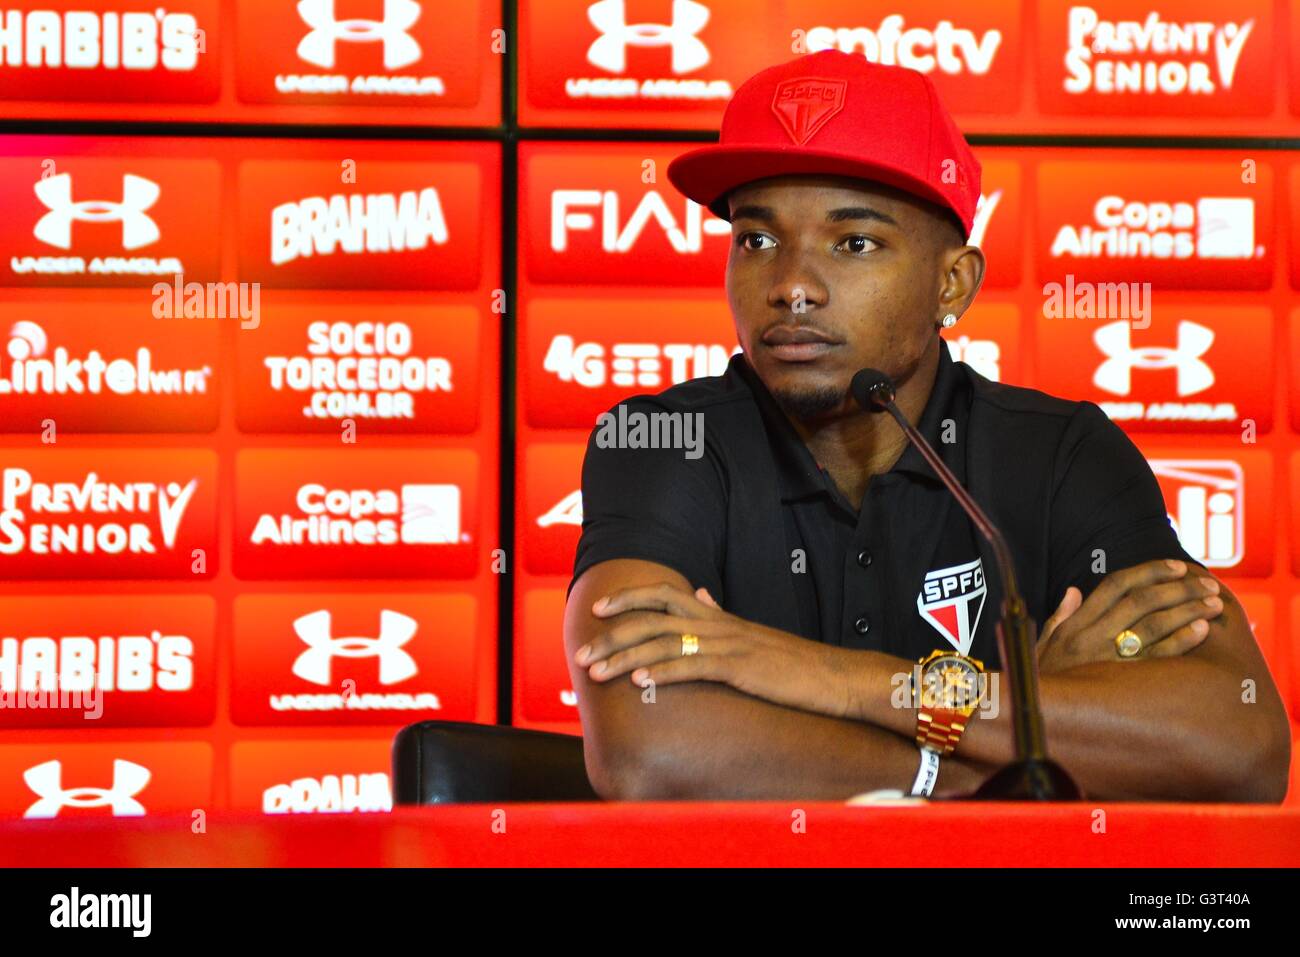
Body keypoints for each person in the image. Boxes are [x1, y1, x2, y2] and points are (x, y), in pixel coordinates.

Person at [562, 50, 1291, 803]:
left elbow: (1241, 744)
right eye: (757, 239)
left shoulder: (1060, 454)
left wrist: (824, 676)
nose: (792, 287)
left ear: (954, 283)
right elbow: (650, 750)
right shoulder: (660, 441)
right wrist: (1009, 731)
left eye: (855, 243)